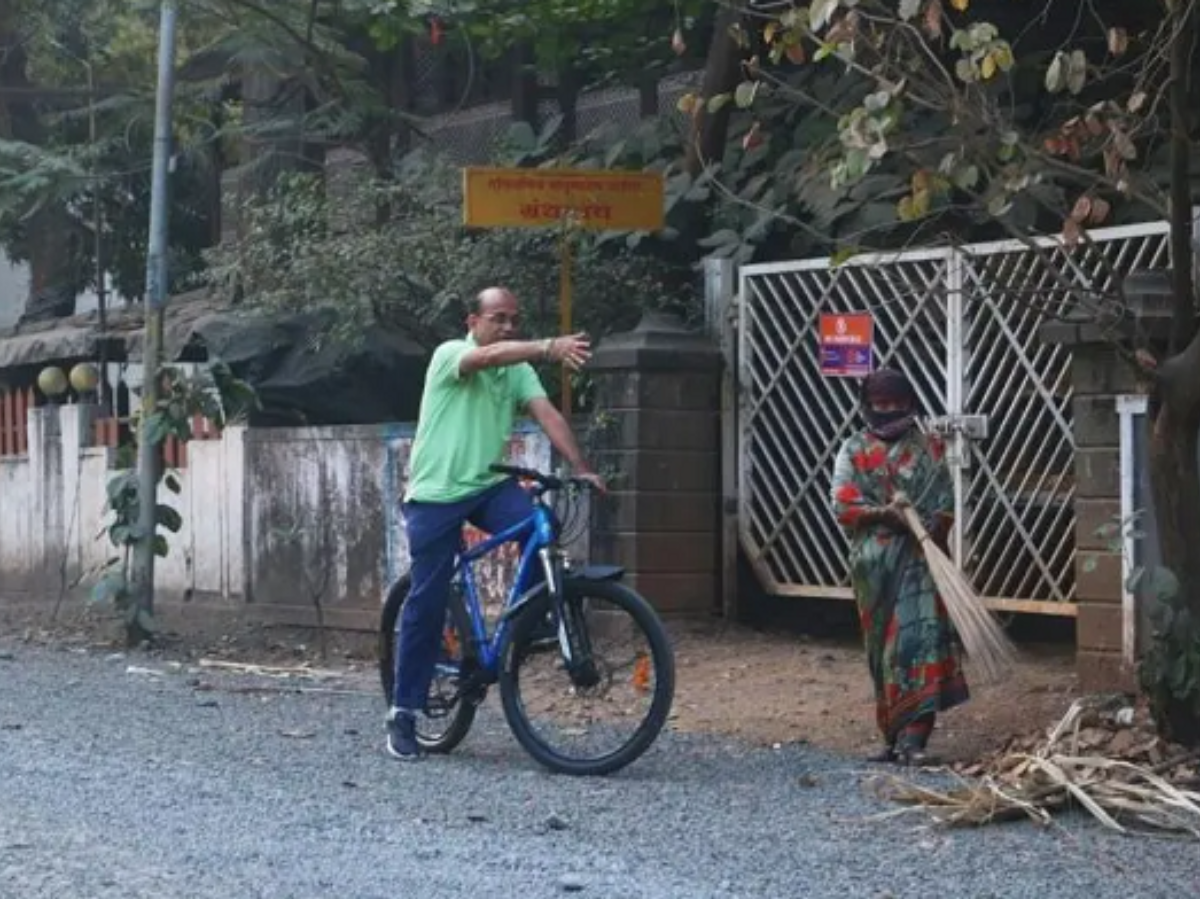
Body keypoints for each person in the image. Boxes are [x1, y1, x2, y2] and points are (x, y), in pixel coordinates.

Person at [387, 286, 605, 761]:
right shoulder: (451, 355)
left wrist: (581, 467)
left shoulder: (518, 370)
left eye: (513, 320)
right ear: (473, 322)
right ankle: (402, 713)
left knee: (540, 526)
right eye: (498, 318)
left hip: (487, 486)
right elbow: (487, 358)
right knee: (428, 598)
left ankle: (529, 622)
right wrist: (548, 347)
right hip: (436, 494)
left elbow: (547, 414)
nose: (507, 326)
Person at [829, 367, 970, 765]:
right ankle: (892, 735)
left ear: (910, 404)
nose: (888, 411)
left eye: (896, 404)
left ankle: (915, 739)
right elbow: (842, 505)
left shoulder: (930, 448)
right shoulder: (854, 449)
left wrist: (928, 528)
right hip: (873, 568)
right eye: (881, 404)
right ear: (867, 406)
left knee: (918, 642)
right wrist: (883, 514)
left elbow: (945, 503)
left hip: (921, 561)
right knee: (884, 651)